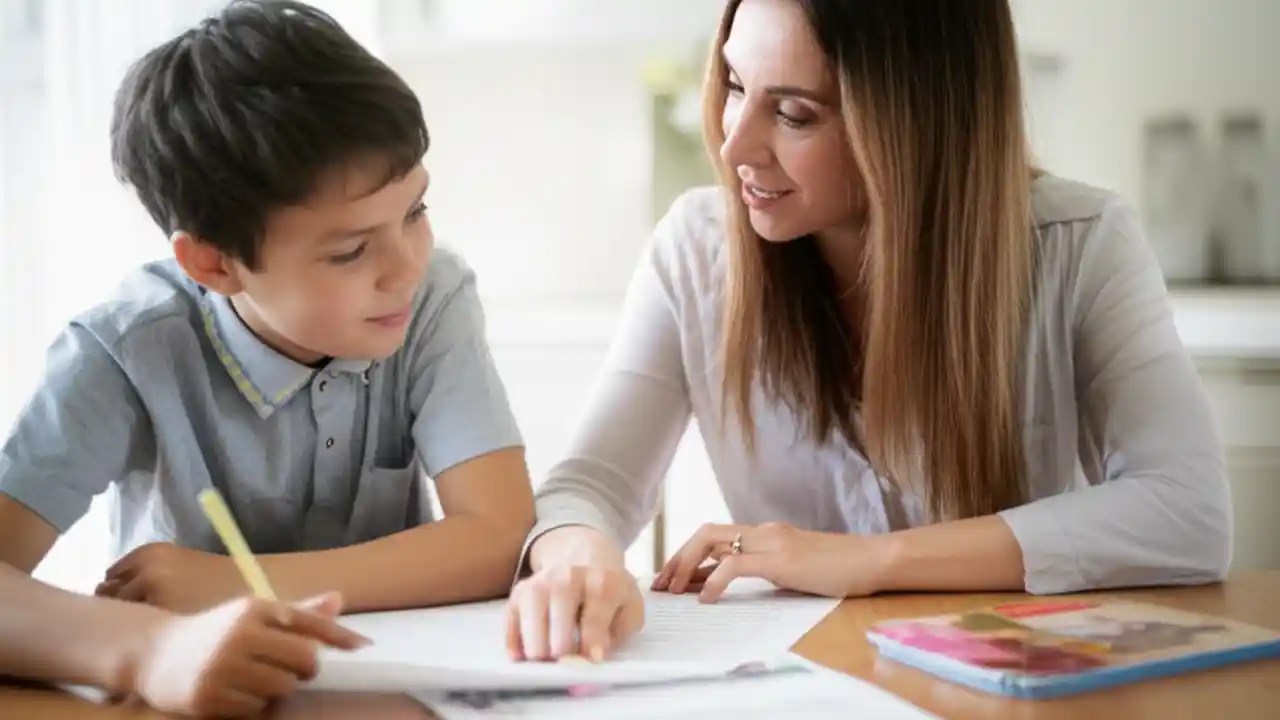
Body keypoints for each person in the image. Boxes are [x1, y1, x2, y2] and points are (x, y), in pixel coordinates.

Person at [505, 0, 1231, 663]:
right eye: (733, 85)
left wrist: (868, 559)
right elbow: (590, 484)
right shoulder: (696, 251)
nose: (734, 147)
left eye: (793, 114)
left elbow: (1187, 510)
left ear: (915, 121)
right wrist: (579, 557)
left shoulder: (1081, 245)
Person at [0, 1, 533, 712]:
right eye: (349, 251)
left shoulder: (431, 299)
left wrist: (238, 581)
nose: (405, 265)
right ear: (215, 263)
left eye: (416, 212)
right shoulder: (124, 348)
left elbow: (499, 538)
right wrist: (146, 647)